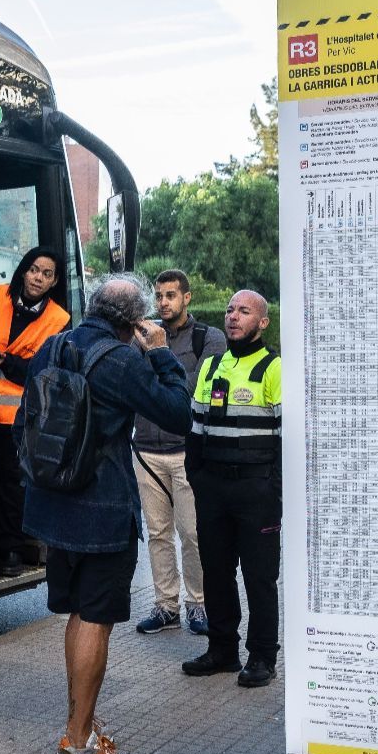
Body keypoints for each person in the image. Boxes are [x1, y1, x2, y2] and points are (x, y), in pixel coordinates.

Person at [15, 273, 193, 754]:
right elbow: (177, 412)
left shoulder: (53, 345)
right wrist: (159, 351)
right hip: (101, 514)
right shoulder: (121, 360)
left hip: (51, 507)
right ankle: (76, 747)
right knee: (96, 617)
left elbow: (22, 421)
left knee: (79, 613)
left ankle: (82, 726)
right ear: (135, 321)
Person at [181, 289, 283, 688]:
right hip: (214, 491)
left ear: (262, 322)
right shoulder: (212, 366)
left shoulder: (275, 369)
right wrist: (198, 478)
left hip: (256, 492)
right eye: (229, 310)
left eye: (244, 311)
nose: (233, 316)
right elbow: (195, 428)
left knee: (260, 577)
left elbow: (285, 437)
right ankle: (222, 650)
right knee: (217, 573)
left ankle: (262, 657)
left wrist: (271, 488)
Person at [0, 247, 71, 576]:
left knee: (10, 485)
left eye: (46, 274)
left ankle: (9, 548)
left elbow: (48, 371)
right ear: (23, 271)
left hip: (15, 420)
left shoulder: (59, 320)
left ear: (54, 282)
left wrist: (7, 362)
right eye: (34, 270)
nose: (38, 277)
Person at [132, 269, 225, 637]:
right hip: (146, 450)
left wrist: (159, 356)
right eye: (158, 296)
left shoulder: (208, 338)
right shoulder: (140, 336)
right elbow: (136, 383)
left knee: (192, 533)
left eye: (171, 295)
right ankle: (165, 605)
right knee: (157, 533)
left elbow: (198, 390)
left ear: (187, 297)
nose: (163, 303)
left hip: (187, 450)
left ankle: (198, 604)